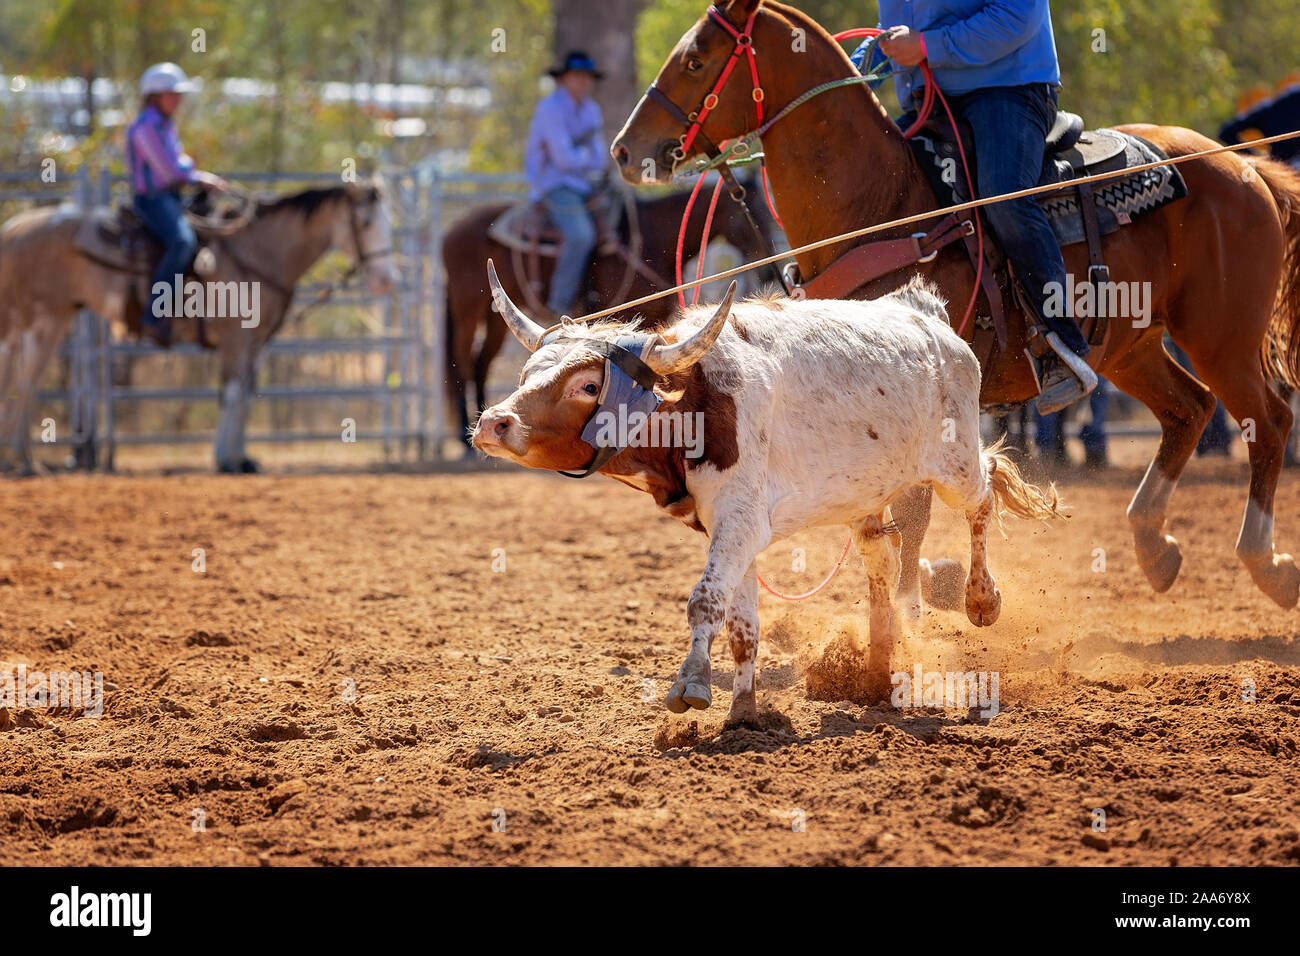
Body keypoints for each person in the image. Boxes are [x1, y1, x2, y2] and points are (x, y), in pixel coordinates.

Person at [852, 0, 1097, 413]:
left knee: (1003, 198)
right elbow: (894, 32)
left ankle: (1060, 344)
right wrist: (845, 82)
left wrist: (928, 46)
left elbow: (1020, 16)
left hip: (1009, 92)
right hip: (928, 99)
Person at [126, 62, 228, 346]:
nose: (178, 99)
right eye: (172, 94)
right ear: (156, 96)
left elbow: (179, 163)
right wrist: (199, 177)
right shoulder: (145, 128)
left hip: (170, 197)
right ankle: (154, 316)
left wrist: (191, 173)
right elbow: (169, 170)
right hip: (152, 200)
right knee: (182, 242)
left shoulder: (164, 126)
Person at [524, 51, 608, 319]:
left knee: (622, 218)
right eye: (577, 76)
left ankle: (597, 297)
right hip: (553, 184)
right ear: (563, 79)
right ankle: (558, 305)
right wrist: (583, 157)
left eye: (587, 77)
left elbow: (601, 158)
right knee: (581, 235)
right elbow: (562, 161)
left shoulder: (592, 109)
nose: (583, 82)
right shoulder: (550, 108)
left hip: (584, 184)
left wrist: (576, 157)